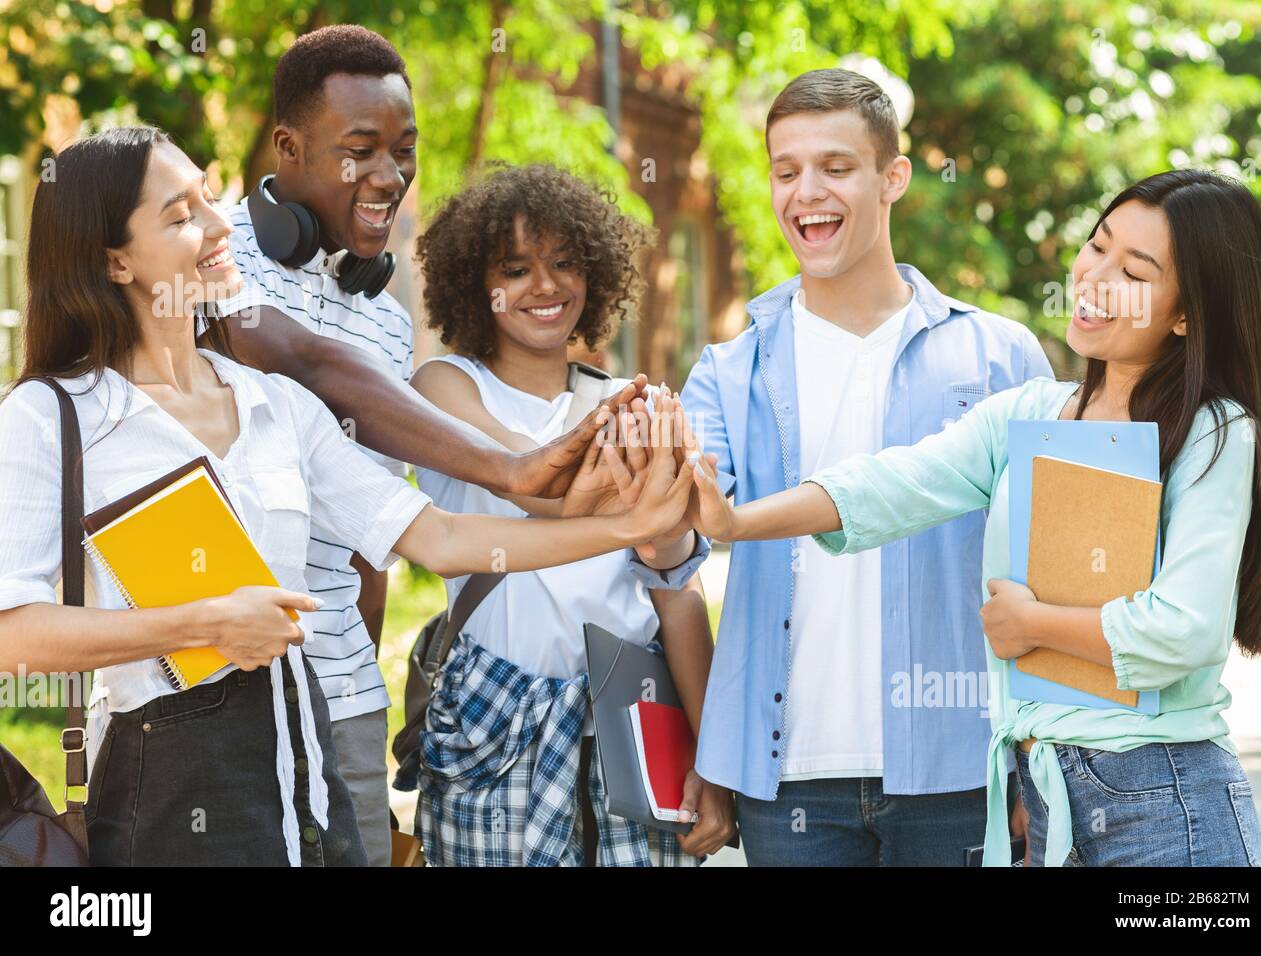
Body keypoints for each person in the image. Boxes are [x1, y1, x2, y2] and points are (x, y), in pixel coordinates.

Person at [0, 127, 695, 866]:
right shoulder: (51, 417)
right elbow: (13, 634)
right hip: (165, 793)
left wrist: (633, 524)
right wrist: (198, 623)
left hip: (307, 778)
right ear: (114, 259)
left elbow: (444, 539)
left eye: (208, 196)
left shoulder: (276, 405)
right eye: (179, 216)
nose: (216, 224)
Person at [689, 168, 1261, 867]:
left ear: (1188, 313)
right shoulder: (1032, 412)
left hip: (1165, 799)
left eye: (1135, 270)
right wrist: (736, 522)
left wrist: (1029, 625)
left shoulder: (1214, 431)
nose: (1095, 277)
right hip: (1051, 796)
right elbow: (895, 483)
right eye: (1097, 246)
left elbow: (1184, 632)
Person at [201, 26, 642, 864]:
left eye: (403, 152)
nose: (389, 177)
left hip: (345, 694)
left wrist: (362, 687)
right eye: (358, 151)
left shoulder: (383, 317)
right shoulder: (211, 265)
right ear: (288, 147)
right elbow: (302, 357)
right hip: (218, 692)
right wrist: (512, 467)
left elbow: (384, 535)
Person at [680, 67, 1053, 866]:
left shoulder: (999, 356)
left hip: (960, 766)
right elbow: (672, 551)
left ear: (893, 178)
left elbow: (1044, 568)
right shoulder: (727, 370)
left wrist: (1036, 759)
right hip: (786, 777)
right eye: (786, 171)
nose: (805, 191)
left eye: (835, 167)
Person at [403, 163, 735, 865]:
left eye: (564, 263)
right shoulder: (443, 387)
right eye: (515, 268)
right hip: (495, 732)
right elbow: (532, 478)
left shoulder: (632, 400)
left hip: (632, 732)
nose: (545, 286)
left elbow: (676, 593)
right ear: (474, 283)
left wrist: (714, 760)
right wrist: (638, 491)